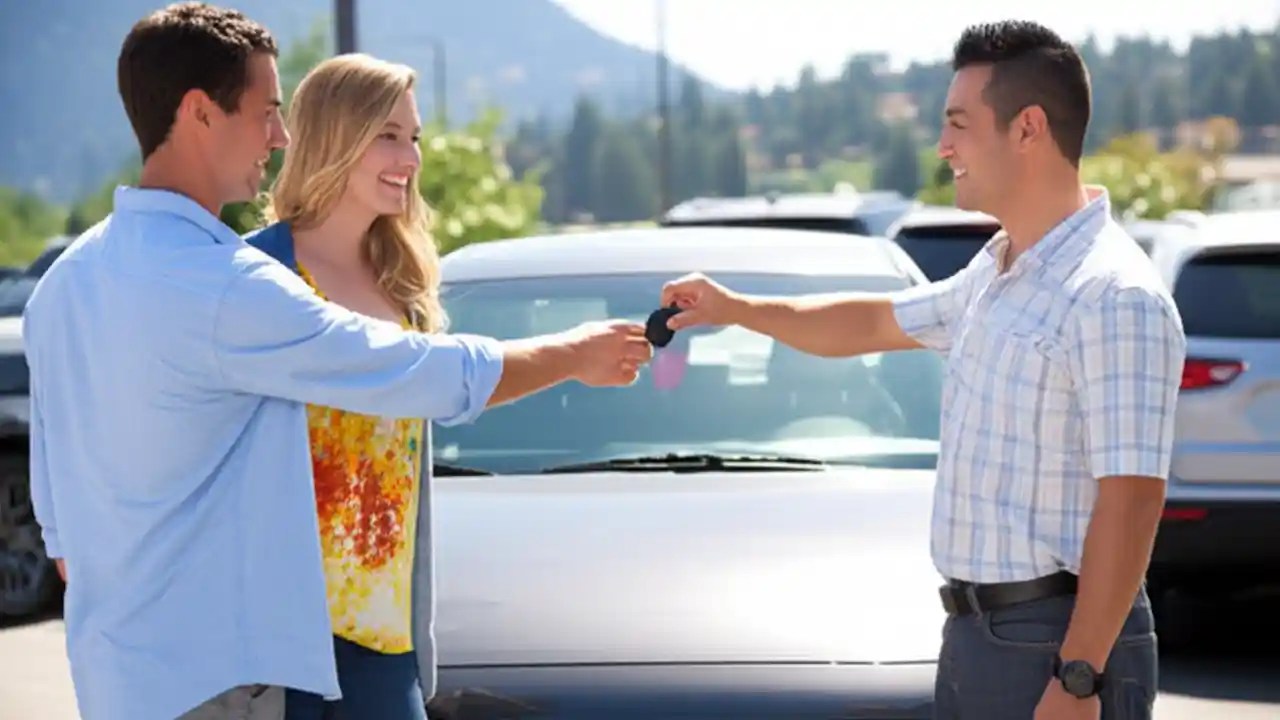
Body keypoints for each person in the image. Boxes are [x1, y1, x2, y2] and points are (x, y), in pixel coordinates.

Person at [23, 4, 650, 720]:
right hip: (226, 677)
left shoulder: (65, 281)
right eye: (265, 112)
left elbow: (59, 515)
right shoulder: (233, 284)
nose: (279, 136)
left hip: (123, 679)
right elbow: (414, 374)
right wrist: (572, 354)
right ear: (200, 113)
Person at [660, 21, 1184, 720]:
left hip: (1054, 644)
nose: (944, 149)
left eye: (960, 125)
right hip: (981, 636)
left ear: (1027, 128)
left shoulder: (1114, 295)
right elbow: (873, 322)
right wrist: (736, 308)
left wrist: (1079, 675)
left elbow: (1132, 499)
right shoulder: (998, 271)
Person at [240, 52, 492, 719]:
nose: (408, 158)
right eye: (388, 135)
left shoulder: (404, 285)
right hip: (273, 647)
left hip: (384, 647)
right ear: (333, 136)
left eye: (413, 139)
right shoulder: (257, 273)